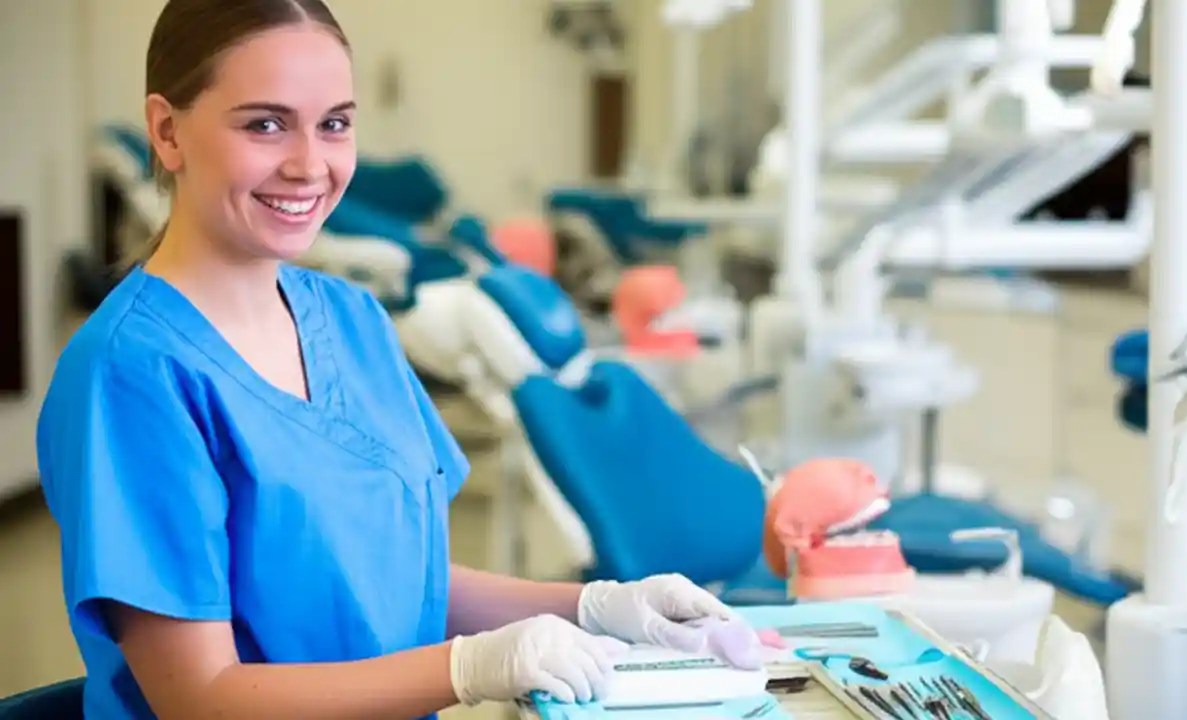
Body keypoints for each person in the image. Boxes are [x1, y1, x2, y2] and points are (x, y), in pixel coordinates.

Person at [35, 1, 748, 718]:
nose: (309, 165)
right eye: (265, 124)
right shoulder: (132, 373)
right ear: (167, 131)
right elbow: (201, 696)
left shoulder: (353, 321)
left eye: (335, 124)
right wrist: (467, 667)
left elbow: (409, 590)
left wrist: (599, 607)